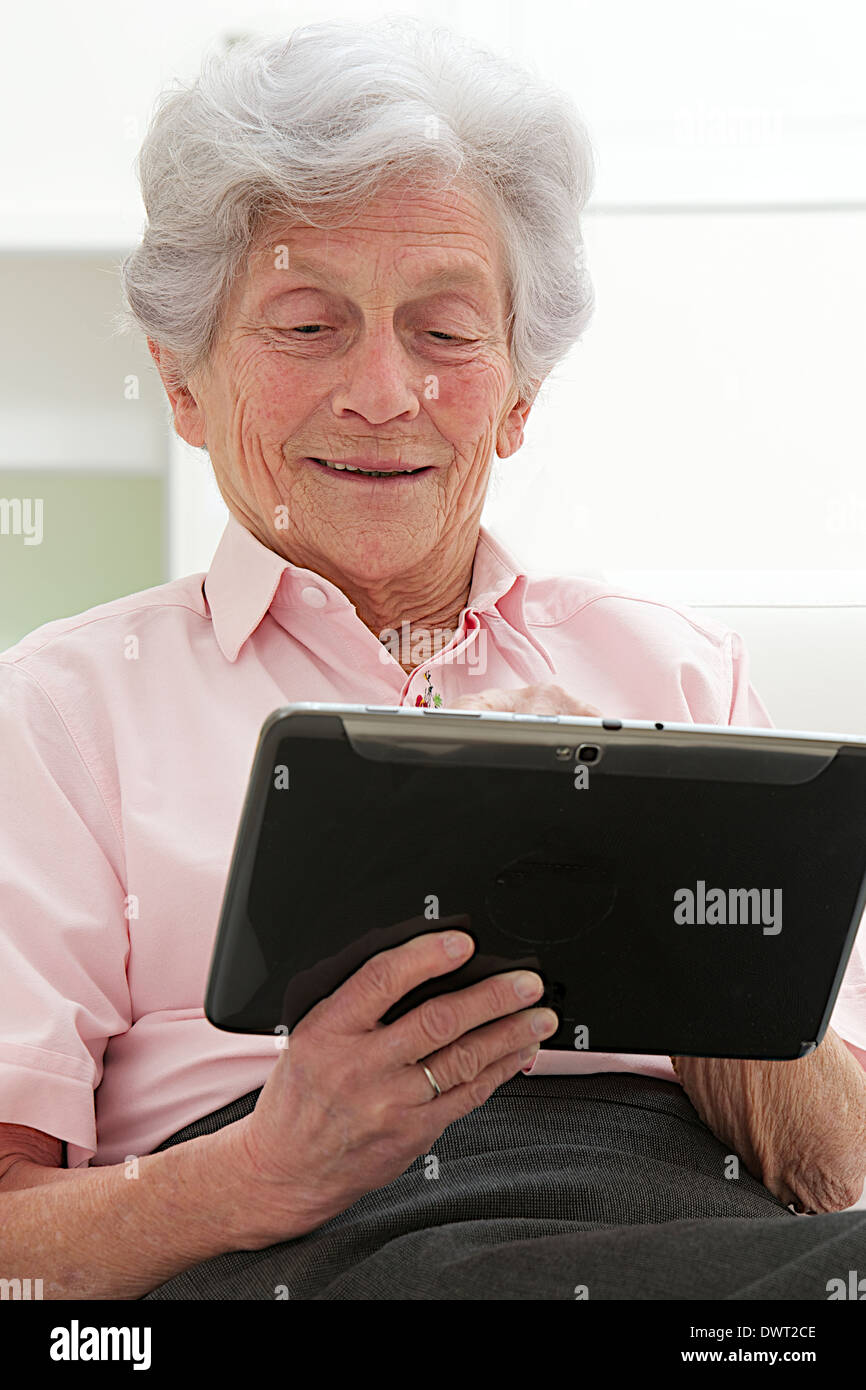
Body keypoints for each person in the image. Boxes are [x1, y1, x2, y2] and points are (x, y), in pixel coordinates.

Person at [1, 18, 864, 1301]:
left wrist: (667, 891)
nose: (382, 391)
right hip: (312, 1254)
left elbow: (833, 1169)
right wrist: (261, 1173)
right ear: (182, 383)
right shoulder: (61, 710)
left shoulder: (673, 672)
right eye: (305, 324)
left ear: (517, 394)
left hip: (706, 1252)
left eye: (445, 332)